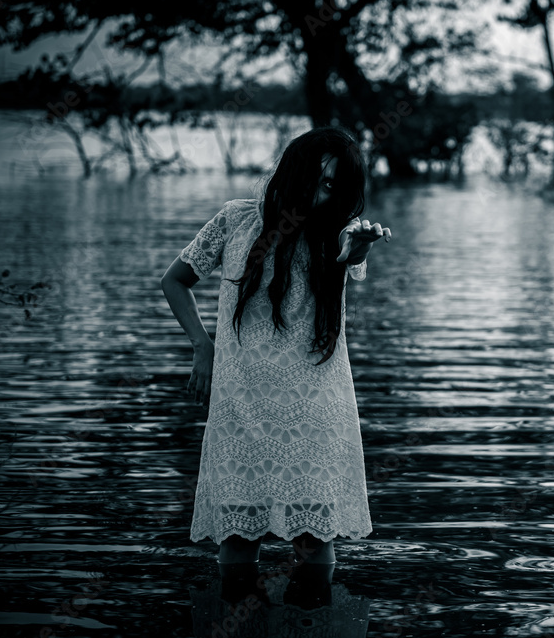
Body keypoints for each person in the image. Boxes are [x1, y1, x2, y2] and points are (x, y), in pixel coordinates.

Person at [160, 126, 391, 606]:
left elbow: (346, 257)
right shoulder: (235, 221)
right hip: (240, 402)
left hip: (311, 409)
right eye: (318, 179)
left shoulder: (334, 234)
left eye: (334, 188)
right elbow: (175, 281)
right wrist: (203, 347)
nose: (321, 193)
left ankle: (316, 620)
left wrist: (359, 250)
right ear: (294, 167)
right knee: (238, 542)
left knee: (313, 542)